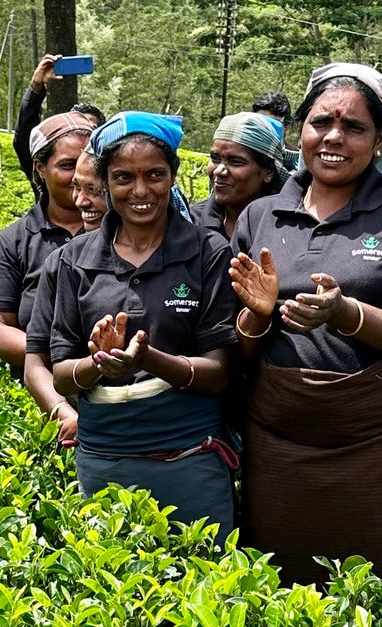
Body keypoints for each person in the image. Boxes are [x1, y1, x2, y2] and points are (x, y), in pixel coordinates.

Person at [229, 63, 382, 584]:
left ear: (380, 139)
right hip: (282, 446)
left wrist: (345, 313)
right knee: (286, 591)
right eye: (321, 122)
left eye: (354, 127)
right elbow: (239, 352)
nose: (334, 137)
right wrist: (257, 319)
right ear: (300, 131)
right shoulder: (261, 216)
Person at [43, 111, 239, 541]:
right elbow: (60, 373)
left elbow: (220, 372)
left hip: (189, 459)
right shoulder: (72, 260)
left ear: (173, 176)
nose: (140, 191)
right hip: (103, 459)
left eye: (154, 174)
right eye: (123, 178)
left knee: (203, 584)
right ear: (106, 181)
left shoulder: (208, 253)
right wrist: (98, 365)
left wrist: (148, 357)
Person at [0, 111, 96, 379]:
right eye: (67, 165)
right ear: (39, 167)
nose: (79, 175)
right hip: (40, 385)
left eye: (88, 164)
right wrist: (59, 356)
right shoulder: (15, 240)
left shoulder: (118, 230)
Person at [23, 150, 108, 447]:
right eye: (77, 187)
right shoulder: (62, 262)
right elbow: (35, 363)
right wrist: (64, 413)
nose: (81, 201)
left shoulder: (193, 253)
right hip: (81, 427)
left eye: (94, 191)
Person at [13, 54, 106, 199]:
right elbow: (24, 139)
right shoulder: (45, 180)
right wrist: (35, 89)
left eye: (89, 129)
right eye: (67, 165)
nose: (76, 175)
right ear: (41, 169)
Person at [191, 112, 290, 240]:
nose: (218, 171)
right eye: (215, 158)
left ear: (268, 172)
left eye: (235, 162)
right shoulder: (191, 221)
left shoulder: (287, 227)